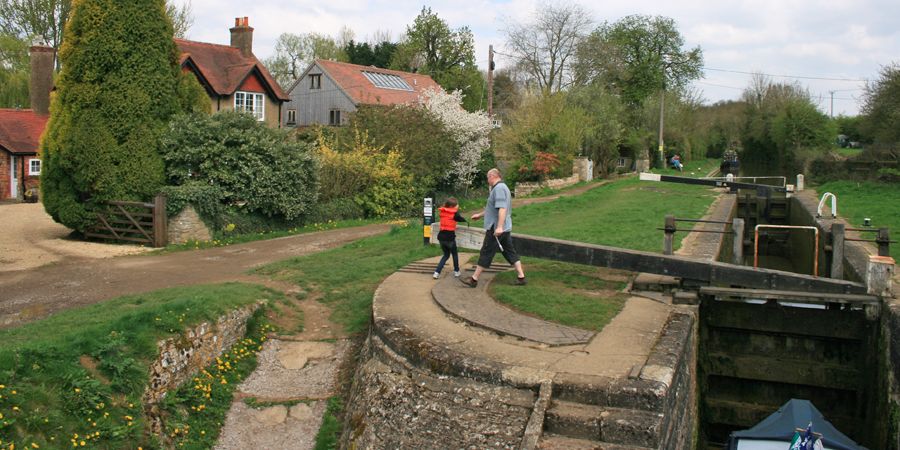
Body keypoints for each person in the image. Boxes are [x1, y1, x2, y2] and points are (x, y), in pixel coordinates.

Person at [460, 168, 526, 288]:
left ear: (492, 176)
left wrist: (499, 227)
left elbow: (502, 208)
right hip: (505, 228)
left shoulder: (499, 188)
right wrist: (480, 215)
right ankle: (521, 277)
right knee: (509, 251)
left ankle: (474, 279)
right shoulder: (501, 187)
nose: (487, 180)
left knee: (486, 252)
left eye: (487, 178)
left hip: (496, 229)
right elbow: (493, 208)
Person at [433, 197, 467, 279]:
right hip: (450, 238)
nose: (457, 206)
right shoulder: (455, 214)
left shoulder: (442, 212)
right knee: (454, 254)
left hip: (441, 238)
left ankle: (436, 272)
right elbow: (461, 219)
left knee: (446, 255)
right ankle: (456, 271)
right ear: (452, 206)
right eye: (456, 205)